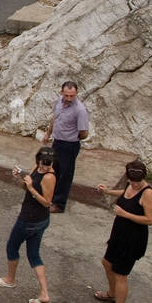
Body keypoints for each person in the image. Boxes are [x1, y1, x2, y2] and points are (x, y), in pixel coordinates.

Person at [0, 147, 56, 303]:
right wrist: (20, 178)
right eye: (43, 164)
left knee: (12, 247)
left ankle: (10, 279)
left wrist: (32, 188)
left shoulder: (49, 177)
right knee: (34, 254)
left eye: (48, 164)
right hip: (39, 220)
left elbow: (47, 202)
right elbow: (26, 187)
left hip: (30, 220)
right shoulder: (36, 169)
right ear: (37, 160)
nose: (45, 167)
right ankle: (44, 294)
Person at [94, 160, 152, 303]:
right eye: (132, 181)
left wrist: (125, 214)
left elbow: (150, 219)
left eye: (138, 182)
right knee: (107, 263)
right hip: (119, 234)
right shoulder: (131, 185)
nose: (135, 185)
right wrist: (108, 191)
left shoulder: (148, 193)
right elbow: (126, 192)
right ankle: (112, 293)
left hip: (132, 239)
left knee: (120, 274)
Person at [45, 81, 89, 213]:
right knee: (54, 170)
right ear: (61, 92)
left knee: (65, 175)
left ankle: (59, 204)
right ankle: (49, 197)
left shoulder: (80, 110)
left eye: (72, 96)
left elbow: (84, 133)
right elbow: (54, 118)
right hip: (57, 141)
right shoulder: (59, 101)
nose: (69, 98)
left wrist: (73, 139)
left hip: (69, 145)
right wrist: (48, 133)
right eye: (67, 95)